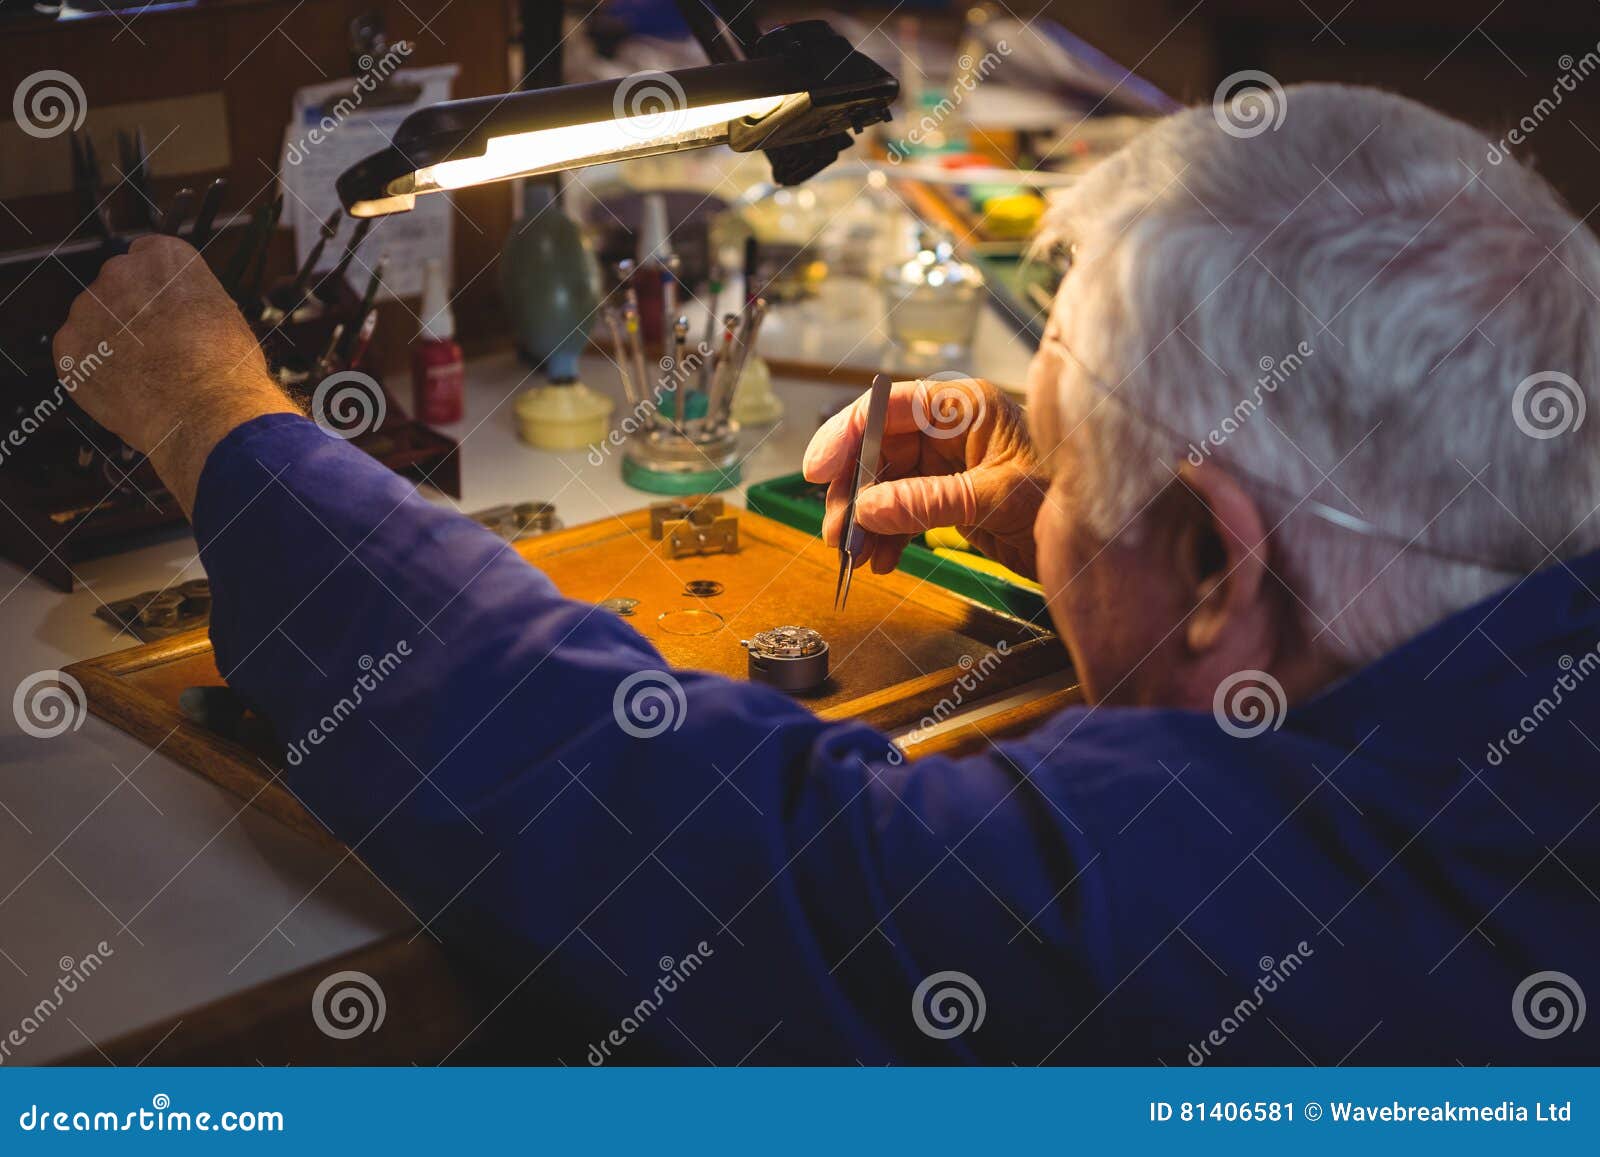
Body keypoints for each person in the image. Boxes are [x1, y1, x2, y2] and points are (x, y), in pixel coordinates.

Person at [51, 84, 1599, 1063]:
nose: (1035, 496)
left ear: (1213, 557)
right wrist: (1084, 493)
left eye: (1064, 468)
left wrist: (217, 419)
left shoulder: (1187, 894)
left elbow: (647, 807)